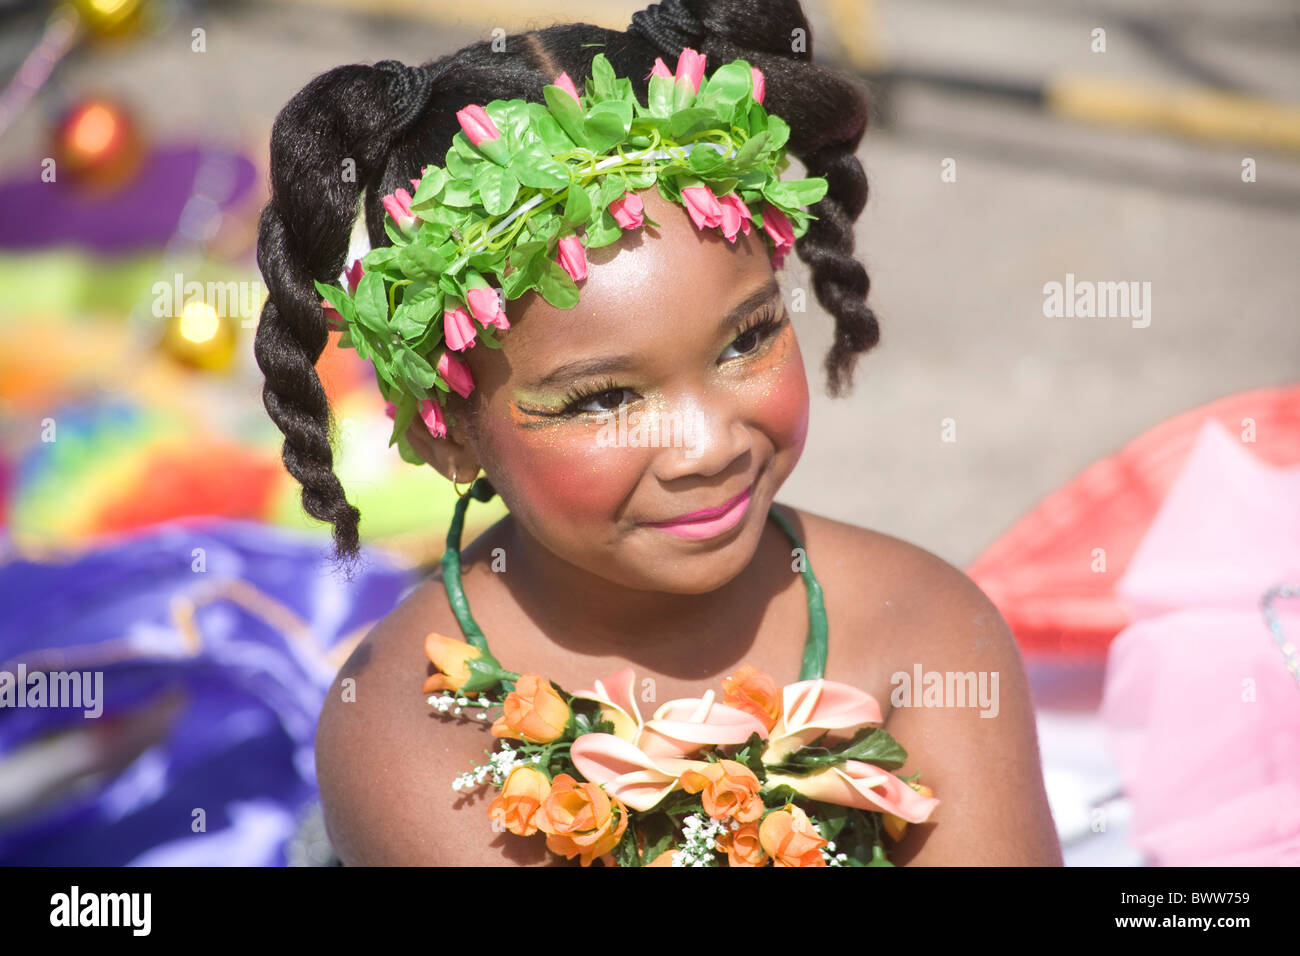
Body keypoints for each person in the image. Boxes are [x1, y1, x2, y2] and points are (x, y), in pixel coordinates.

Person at [254, 0, 1062, 866]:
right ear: (449, 430)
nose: (708, 444)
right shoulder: (408, 728)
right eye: (601, 400)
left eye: (748, 340)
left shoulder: (924, 631)